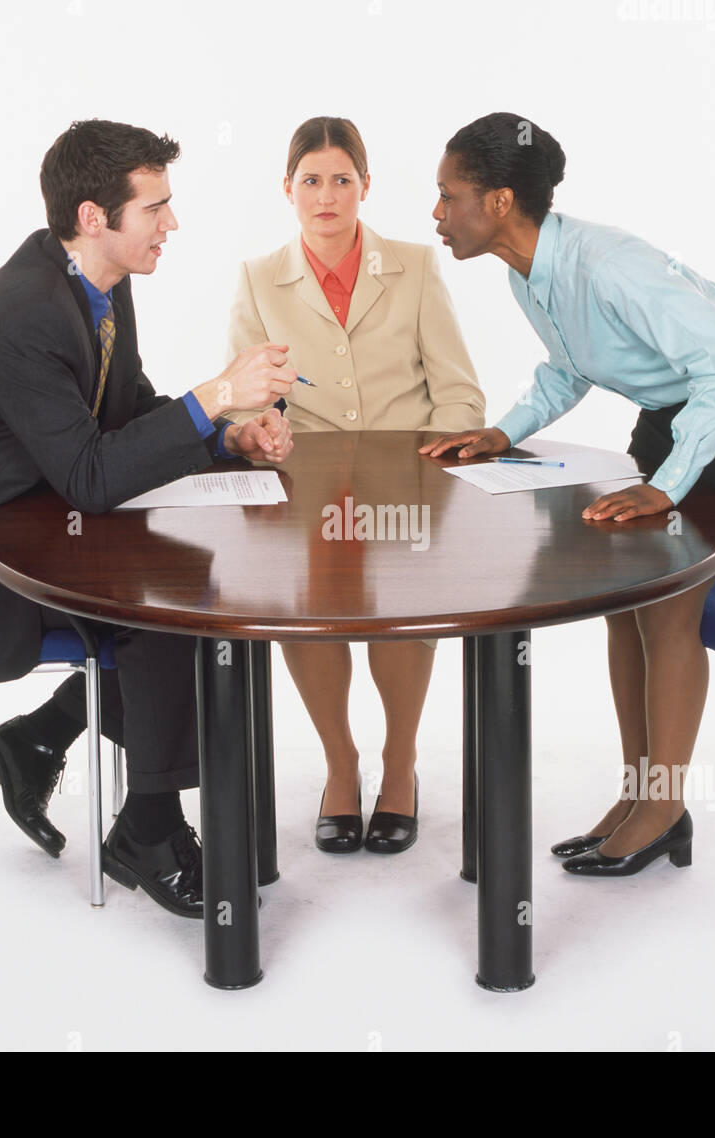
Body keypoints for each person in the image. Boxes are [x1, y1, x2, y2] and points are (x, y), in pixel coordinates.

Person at [0, 119, 297, 916]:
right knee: (165, 603)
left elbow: (125, 411)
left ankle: (43, 746)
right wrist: (213, 397)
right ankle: (148, 828)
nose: (172, 225)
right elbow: (91, 475)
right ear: (96, 218)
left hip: (20, 518)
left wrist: (228, 433)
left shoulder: (99, 284)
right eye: (156, 209)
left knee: (179, 580)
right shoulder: (26, 313)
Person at [422, 112, 715, 877]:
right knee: (625, 592)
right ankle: (640, 792)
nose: (436, 213)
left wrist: (666, 490)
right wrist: (506, 431)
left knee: (668, 595)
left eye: (447, 195)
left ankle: (666, 806)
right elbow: (569, 366)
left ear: (499, 201)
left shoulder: (609, 266)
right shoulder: (525, 273)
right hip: (680, 402)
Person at [227, 116, 484, 854]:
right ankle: (340, 764)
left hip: (405, 482)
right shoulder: (257, 278)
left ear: (365, 187)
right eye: (312, 180)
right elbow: (246, 396)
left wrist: (438, 464)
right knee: (312, 614)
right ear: (288, 189)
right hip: (307, 487)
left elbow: (460, 391)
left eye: (343, 179)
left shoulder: (414, 266)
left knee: (402, 614)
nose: (327, 195)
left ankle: (399, 763)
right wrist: (258, 427)